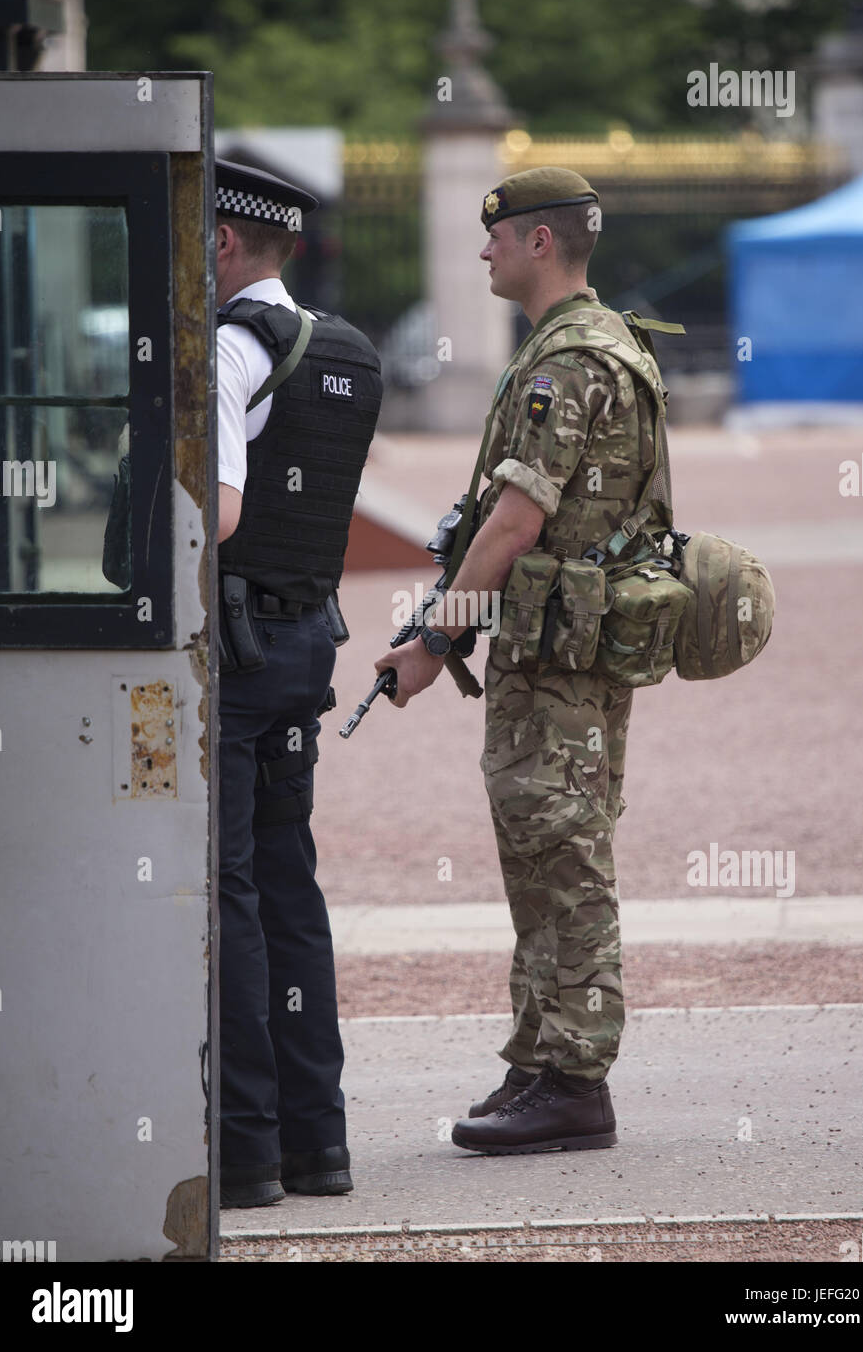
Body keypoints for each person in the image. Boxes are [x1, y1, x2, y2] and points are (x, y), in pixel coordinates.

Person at [374, 167, 672, 1155]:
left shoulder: (566, 365)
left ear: (539, 244)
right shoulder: (593, 344)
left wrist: (431, 640)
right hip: (564, 646)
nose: (482, 253)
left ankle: (575, 1081)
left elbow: (512, 520)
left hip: (558, 653)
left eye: (495, 237)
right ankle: (544, 1057)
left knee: (563, 850)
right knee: (547, 845)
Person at [216, 160, 382, 1205]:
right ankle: (318, 1141)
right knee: (287, 885)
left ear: (225, 245)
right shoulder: (347, 352)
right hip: (303, 650)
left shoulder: (233, 349)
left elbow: (220, 517)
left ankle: (243, 1149)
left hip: (228, 661)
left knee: (224, 890)